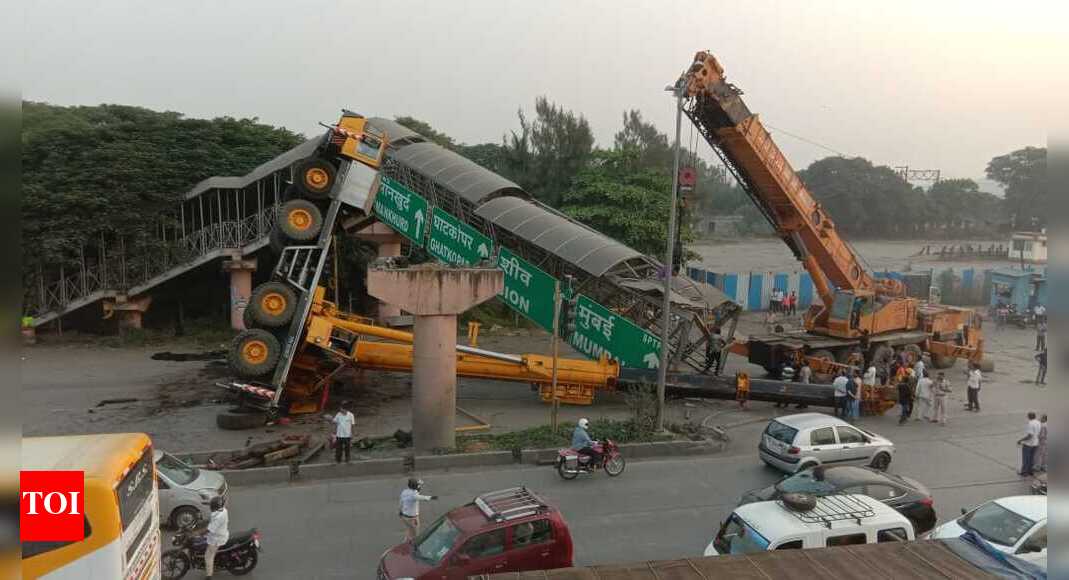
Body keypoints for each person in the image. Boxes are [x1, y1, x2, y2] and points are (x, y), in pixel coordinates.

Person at [204, 496, 229, 579]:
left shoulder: (218, 517)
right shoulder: (223, 510)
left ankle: (209, 576)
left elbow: (209, 530)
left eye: (211, 506)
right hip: (221, 533)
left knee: (208, 556)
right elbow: (224, 501)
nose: (209, 507)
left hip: (217, 539)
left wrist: (195, 533)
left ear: (213, 507)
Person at [1016, 412, 1041, 476]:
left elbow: (1030, 435)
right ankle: (1030, 471)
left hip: (1029, 444)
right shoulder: (1038, 422)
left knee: (1026, 458)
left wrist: (1021, 440)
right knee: (1032, 458)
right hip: (1036, 443)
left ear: (1029, 416)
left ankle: (1024, 472)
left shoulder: (1030, 423)